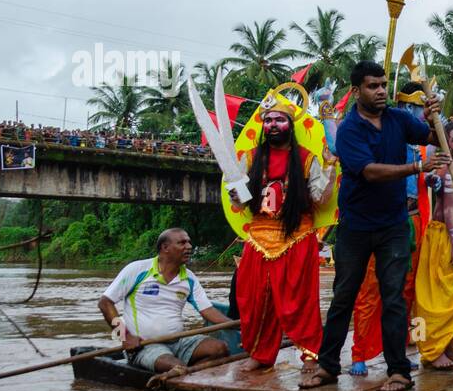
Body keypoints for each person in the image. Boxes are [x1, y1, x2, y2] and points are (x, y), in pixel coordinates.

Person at [302, 61, 447, 391]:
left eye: (382, 84)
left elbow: (433, 136)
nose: (380, 90)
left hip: (393, 224)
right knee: (344, 296)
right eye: (372, 86)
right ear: (356, 91)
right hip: (355, 226)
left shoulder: (398, 118)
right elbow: (368, 171)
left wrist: (436, 115)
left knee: (393, 297)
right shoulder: (350, 129)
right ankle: (327, 366)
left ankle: (398, 371)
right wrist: (415, 166)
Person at [230, 91, 336, 369]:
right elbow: (240, 203)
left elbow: (320, 199)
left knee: (299, 301)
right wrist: (235, 191)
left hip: (296, 236)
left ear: (290, 124)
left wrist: (331, 167)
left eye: (279, 120)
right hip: (258, 238)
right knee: (253, 300)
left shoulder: (307, 158)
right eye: (269, 120)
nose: (273, 125)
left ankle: (311, 355)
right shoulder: (251, 157)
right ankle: (260, 355)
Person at [99, 228, 231, 376]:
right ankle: (183, 376)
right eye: (182, 243)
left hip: (179, 342)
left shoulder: (189, 278)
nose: (188, 247)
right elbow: (105, 303)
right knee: (177, 367)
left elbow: (208, 311)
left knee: (220, 349)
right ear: (165, 248)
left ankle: (187, 377)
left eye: (189, 242)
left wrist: (237, 326)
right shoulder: (137, 270)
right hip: (145, 346)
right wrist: (125, 336)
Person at [412, 119, 453, 370]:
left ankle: (449, 347)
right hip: (446, 237)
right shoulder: (449, 169)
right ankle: (432, 351)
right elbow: (450, 211)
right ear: (446, 143)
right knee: (440, 299)